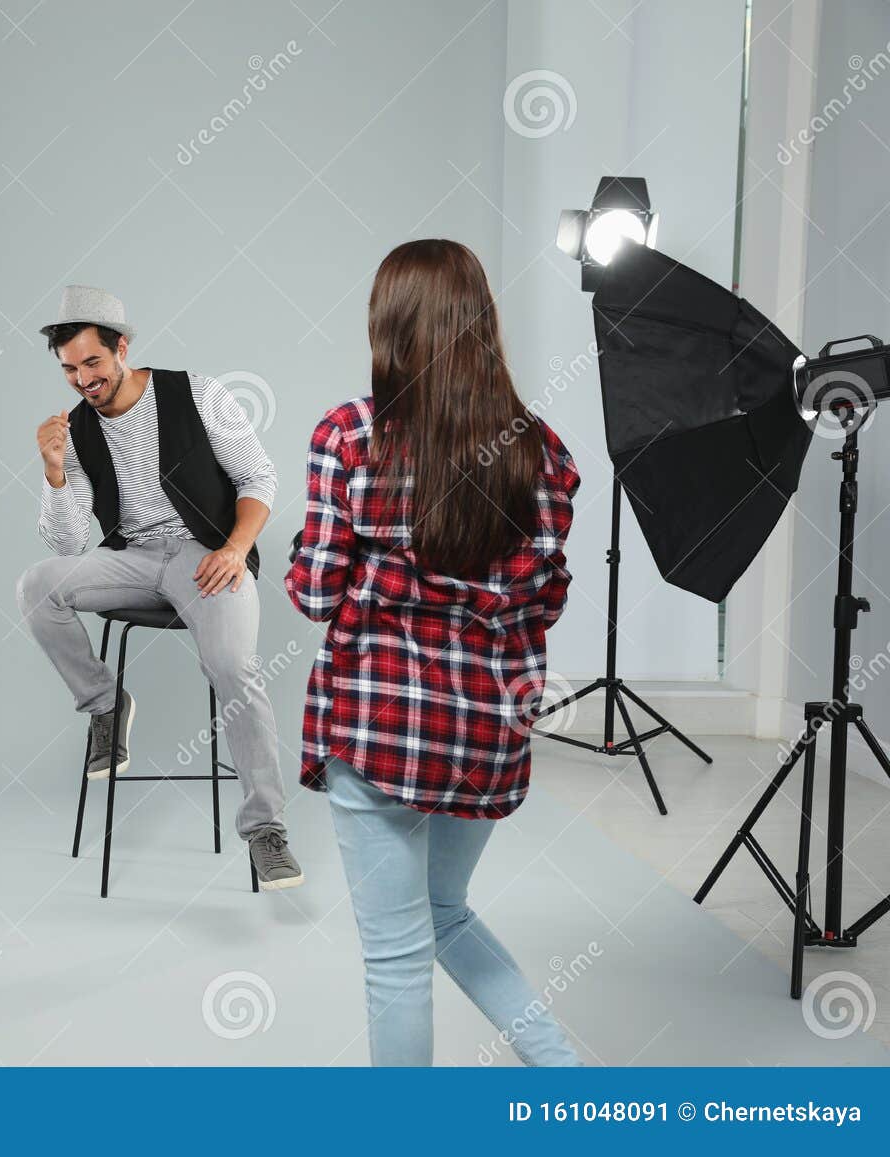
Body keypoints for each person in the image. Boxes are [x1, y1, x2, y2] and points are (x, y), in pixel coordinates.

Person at [285, 240, 583, 1064]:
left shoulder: (351, 434)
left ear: (390, 326)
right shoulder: (542, 451)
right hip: (486, 731)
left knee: (395, 955)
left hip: (379, 725)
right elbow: (544, 599)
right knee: (445, 912)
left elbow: (316, 592)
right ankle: (568, 1075)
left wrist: (349, 569)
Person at [17, 285, 303, 889]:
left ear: (122, 348)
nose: (83, 380)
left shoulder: (195, 393)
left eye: (92, 362)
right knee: (38, 586)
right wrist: (53, 471)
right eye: (69, 369)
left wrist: (235, 548)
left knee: (233, 667)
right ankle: (106, 705)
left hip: (206, 557)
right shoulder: (76, 429)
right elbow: (67, 544)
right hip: (132, 558)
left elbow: (258, 476)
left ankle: (266, 830)